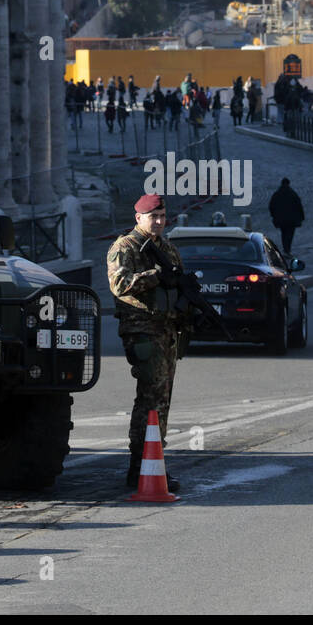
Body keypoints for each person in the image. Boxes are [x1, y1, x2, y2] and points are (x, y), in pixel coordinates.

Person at [107, 194, 187, 492]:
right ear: (138, 218)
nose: (159, 222)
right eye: (153, 217)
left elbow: (176, 282)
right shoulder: (125, 247)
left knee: (162, 400)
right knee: (150, 398)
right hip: (142, 330)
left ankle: (152, 464)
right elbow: (119, 284)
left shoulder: (167, 248)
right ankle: (140, 466)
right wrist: (155, 276)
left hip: (166, 331)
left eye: (163, 216)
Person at [269, 178, 305, 254]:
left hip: (281, 219)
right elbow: (299, 206)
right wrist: (302, 217)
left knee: (283, 233)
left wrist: (274, 215)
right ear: (289, 183)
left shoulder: (277, 194)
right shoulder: (293, 194)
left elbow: (271, 206)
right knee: (290, 234)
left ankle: (285, 248)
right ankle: (287, 249)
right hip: (292, 219)